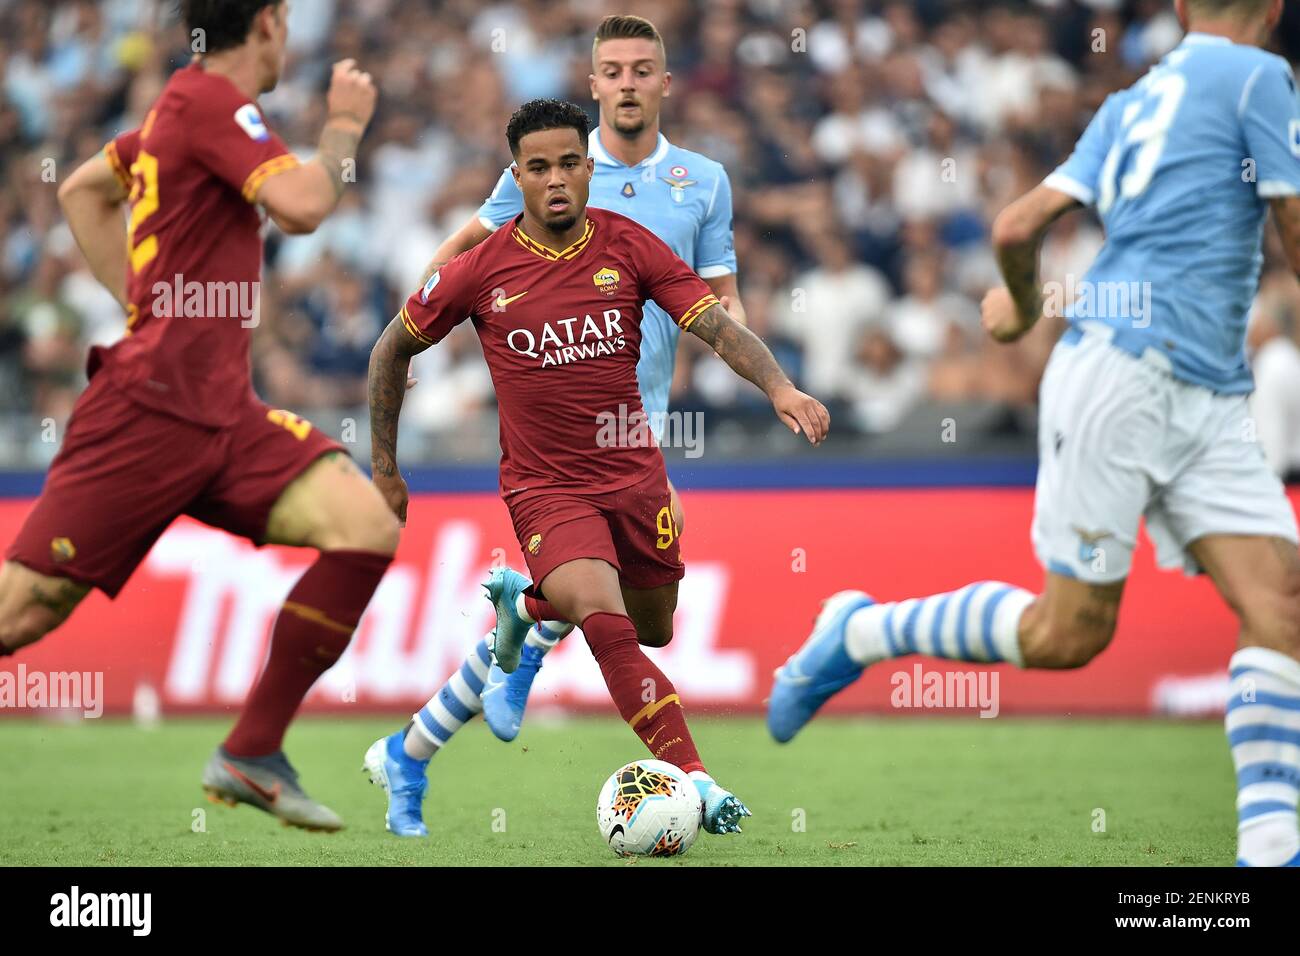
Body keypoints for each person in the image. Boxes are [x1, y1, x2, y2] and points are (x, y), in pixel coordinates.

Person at [768, 0, 1300, 868]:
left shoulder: (1133, 99)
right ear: (1274, 10)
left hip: (1197, 390)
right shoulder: (1262, 77)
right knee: (1068, 634)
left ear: (1175, 8)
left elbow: (1017, 225)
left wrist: (1019, 301)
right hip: (1126, 380)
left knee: (1280, 606)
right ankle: (858, 635)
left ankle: (1270, 854)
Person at [364, 98, 828, 838]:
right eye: (537, 167)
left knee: (655, 629)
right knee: (606, 623)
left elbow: (713, 323)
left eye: (568, 163)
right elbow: (390, 348)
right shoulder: (479, 271)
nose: (555, 179)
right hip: (546, 489)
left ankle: (527, 609)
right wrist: (386, 466)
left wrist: (779, 386)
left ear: (588, 167)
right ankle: (699, 781)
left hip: (635, 479)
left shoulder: (630, 246)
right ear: (515, 176)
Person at [0, 0, 393, 832]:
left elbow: (83, 189)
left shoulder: (184, 110)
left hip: (224, 417)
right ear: (272, 22)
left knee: (364, 526)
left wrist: (147, 308)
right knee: (24, 612)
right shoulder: (211, 100)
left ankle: (251, 752)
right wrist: (345, 126)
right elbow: (302, 206)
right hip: (144, 416)